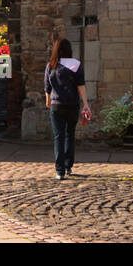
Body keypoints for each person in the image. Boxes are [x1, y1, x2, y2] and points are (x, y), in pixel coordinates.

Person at [43, 37, 91, 180]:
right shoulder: (76, 65)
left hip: (56, 105)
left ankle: (59, 170)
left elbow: (47, 87)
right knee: (70, 134)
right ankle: (68, 165)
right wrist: (86, 104)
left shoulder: (51, 65)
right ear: (70, 49)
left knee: (59, 136)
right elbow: (81, 85)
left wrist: (48, 101)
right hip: (72, 105)